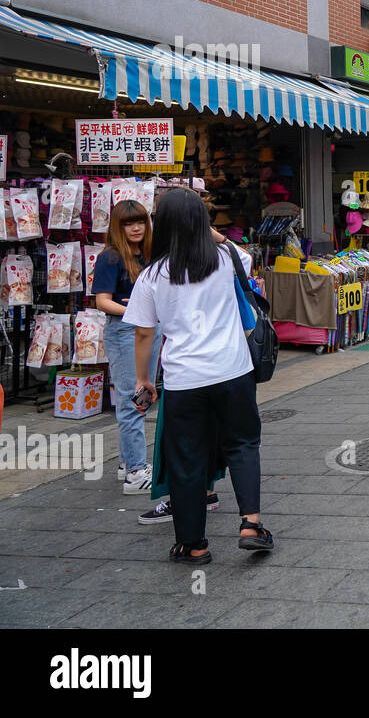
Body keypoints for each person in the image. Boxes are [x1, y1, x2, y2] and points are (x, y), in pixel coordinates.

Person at [122, 189, 270, 563]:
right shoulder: (224, 258)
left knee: (188, 458)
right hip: (234, 371)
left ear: (163, 224)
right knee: (242, 444)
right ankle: (251, 525)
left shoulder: (153, 275)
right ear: (204, 223)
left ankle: (193, 543)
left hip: (185, 379)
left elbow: (144, 332)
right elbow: (247, 257)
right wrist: (211, 232)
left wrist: (143, 380)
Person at [93, 200, 161, 496]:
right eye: (128, 223)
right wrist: (136, 310)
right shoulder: (111, 257)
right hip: (124, 331)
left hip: (149, 329)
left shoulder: (149, 255)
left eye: (141, 222)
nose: (136, 228)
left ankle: (127, 462)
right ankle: (135, 472)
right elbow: (102, 301)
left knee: (140, 397)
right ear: (117, 227)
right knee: (133, 399)